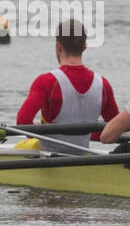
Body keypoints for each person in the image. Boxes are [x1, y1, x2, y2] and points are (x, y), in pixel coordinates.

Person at [16, 20, 119, 149]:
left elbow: (22, 122)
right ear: (84, 47)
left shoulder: (46, 82)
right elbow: (115, 128)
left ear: (59, 46)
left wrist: (41, 130)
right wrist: (84, 135)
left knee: (22, 146)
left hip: (48, 161)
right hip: (82, 159)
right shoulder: (103, 85)